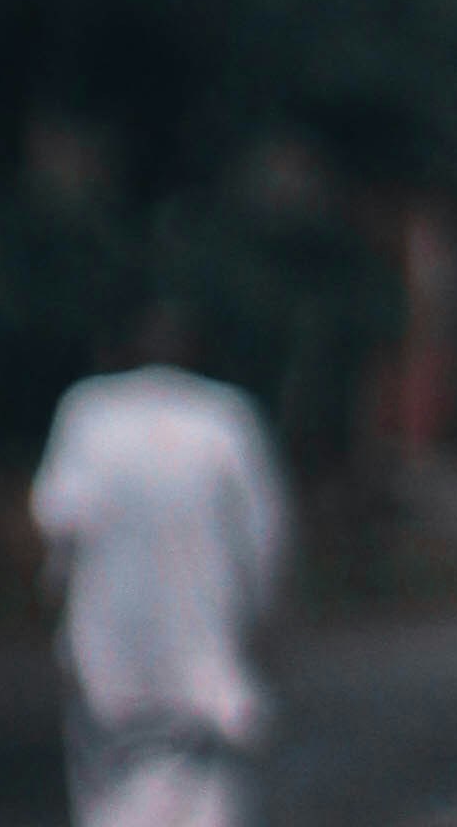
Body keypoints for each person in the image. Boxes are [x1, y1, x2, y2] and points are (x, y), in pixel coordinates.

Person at [32, 313, 292, 827]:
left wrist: (55, 591)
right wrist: (263, 616)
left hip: (108, 645)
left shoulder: (89, 412)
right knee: (208, 789)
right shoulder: (227, 418)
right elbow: (267, 537)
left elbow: (57, 519)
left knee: (112, 788)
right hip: (207, 643)